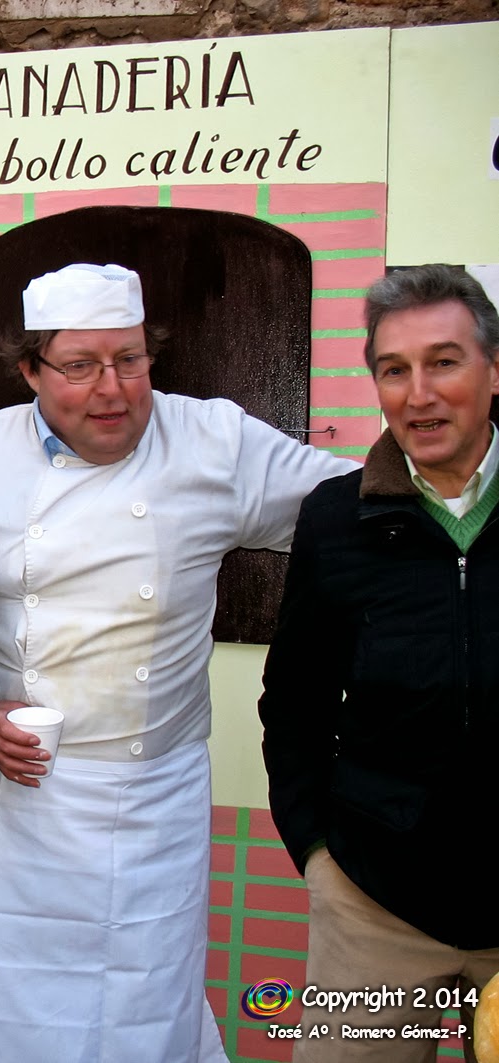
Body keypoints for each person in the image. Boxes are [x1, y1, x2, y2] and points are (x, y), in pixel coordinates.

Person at [0, 263, 352, 1063]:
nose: (111, 388)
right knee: (0, 1005)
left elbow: (357, 506)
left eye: (130, 359)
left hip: (151, 798)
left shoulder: (215, 441)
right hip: (14, 794)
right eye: (79, 365)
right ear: (30, 369)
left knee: (142, 1008)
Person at [259, 265, 499, 1060]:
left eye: (443, 362)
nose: (417, 394)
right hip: (373, 904)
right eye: (393, 370)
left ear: (493, 370)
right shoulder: (337, 519)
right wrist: (317, 855)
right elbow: (293, 700)